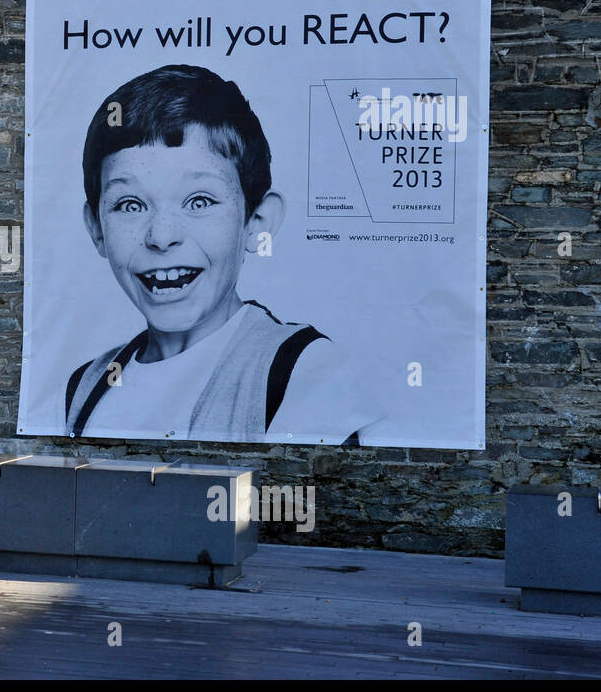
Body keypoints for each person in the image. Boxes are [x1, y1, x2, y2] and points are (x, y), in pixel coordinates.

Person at [65, 64, 380, 444]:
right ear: (97, 228)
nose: (162, 237)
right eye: (130, 205)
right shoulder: (87, 383)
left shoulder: (303, 372)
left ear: (256, 220)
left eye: (199, 201)